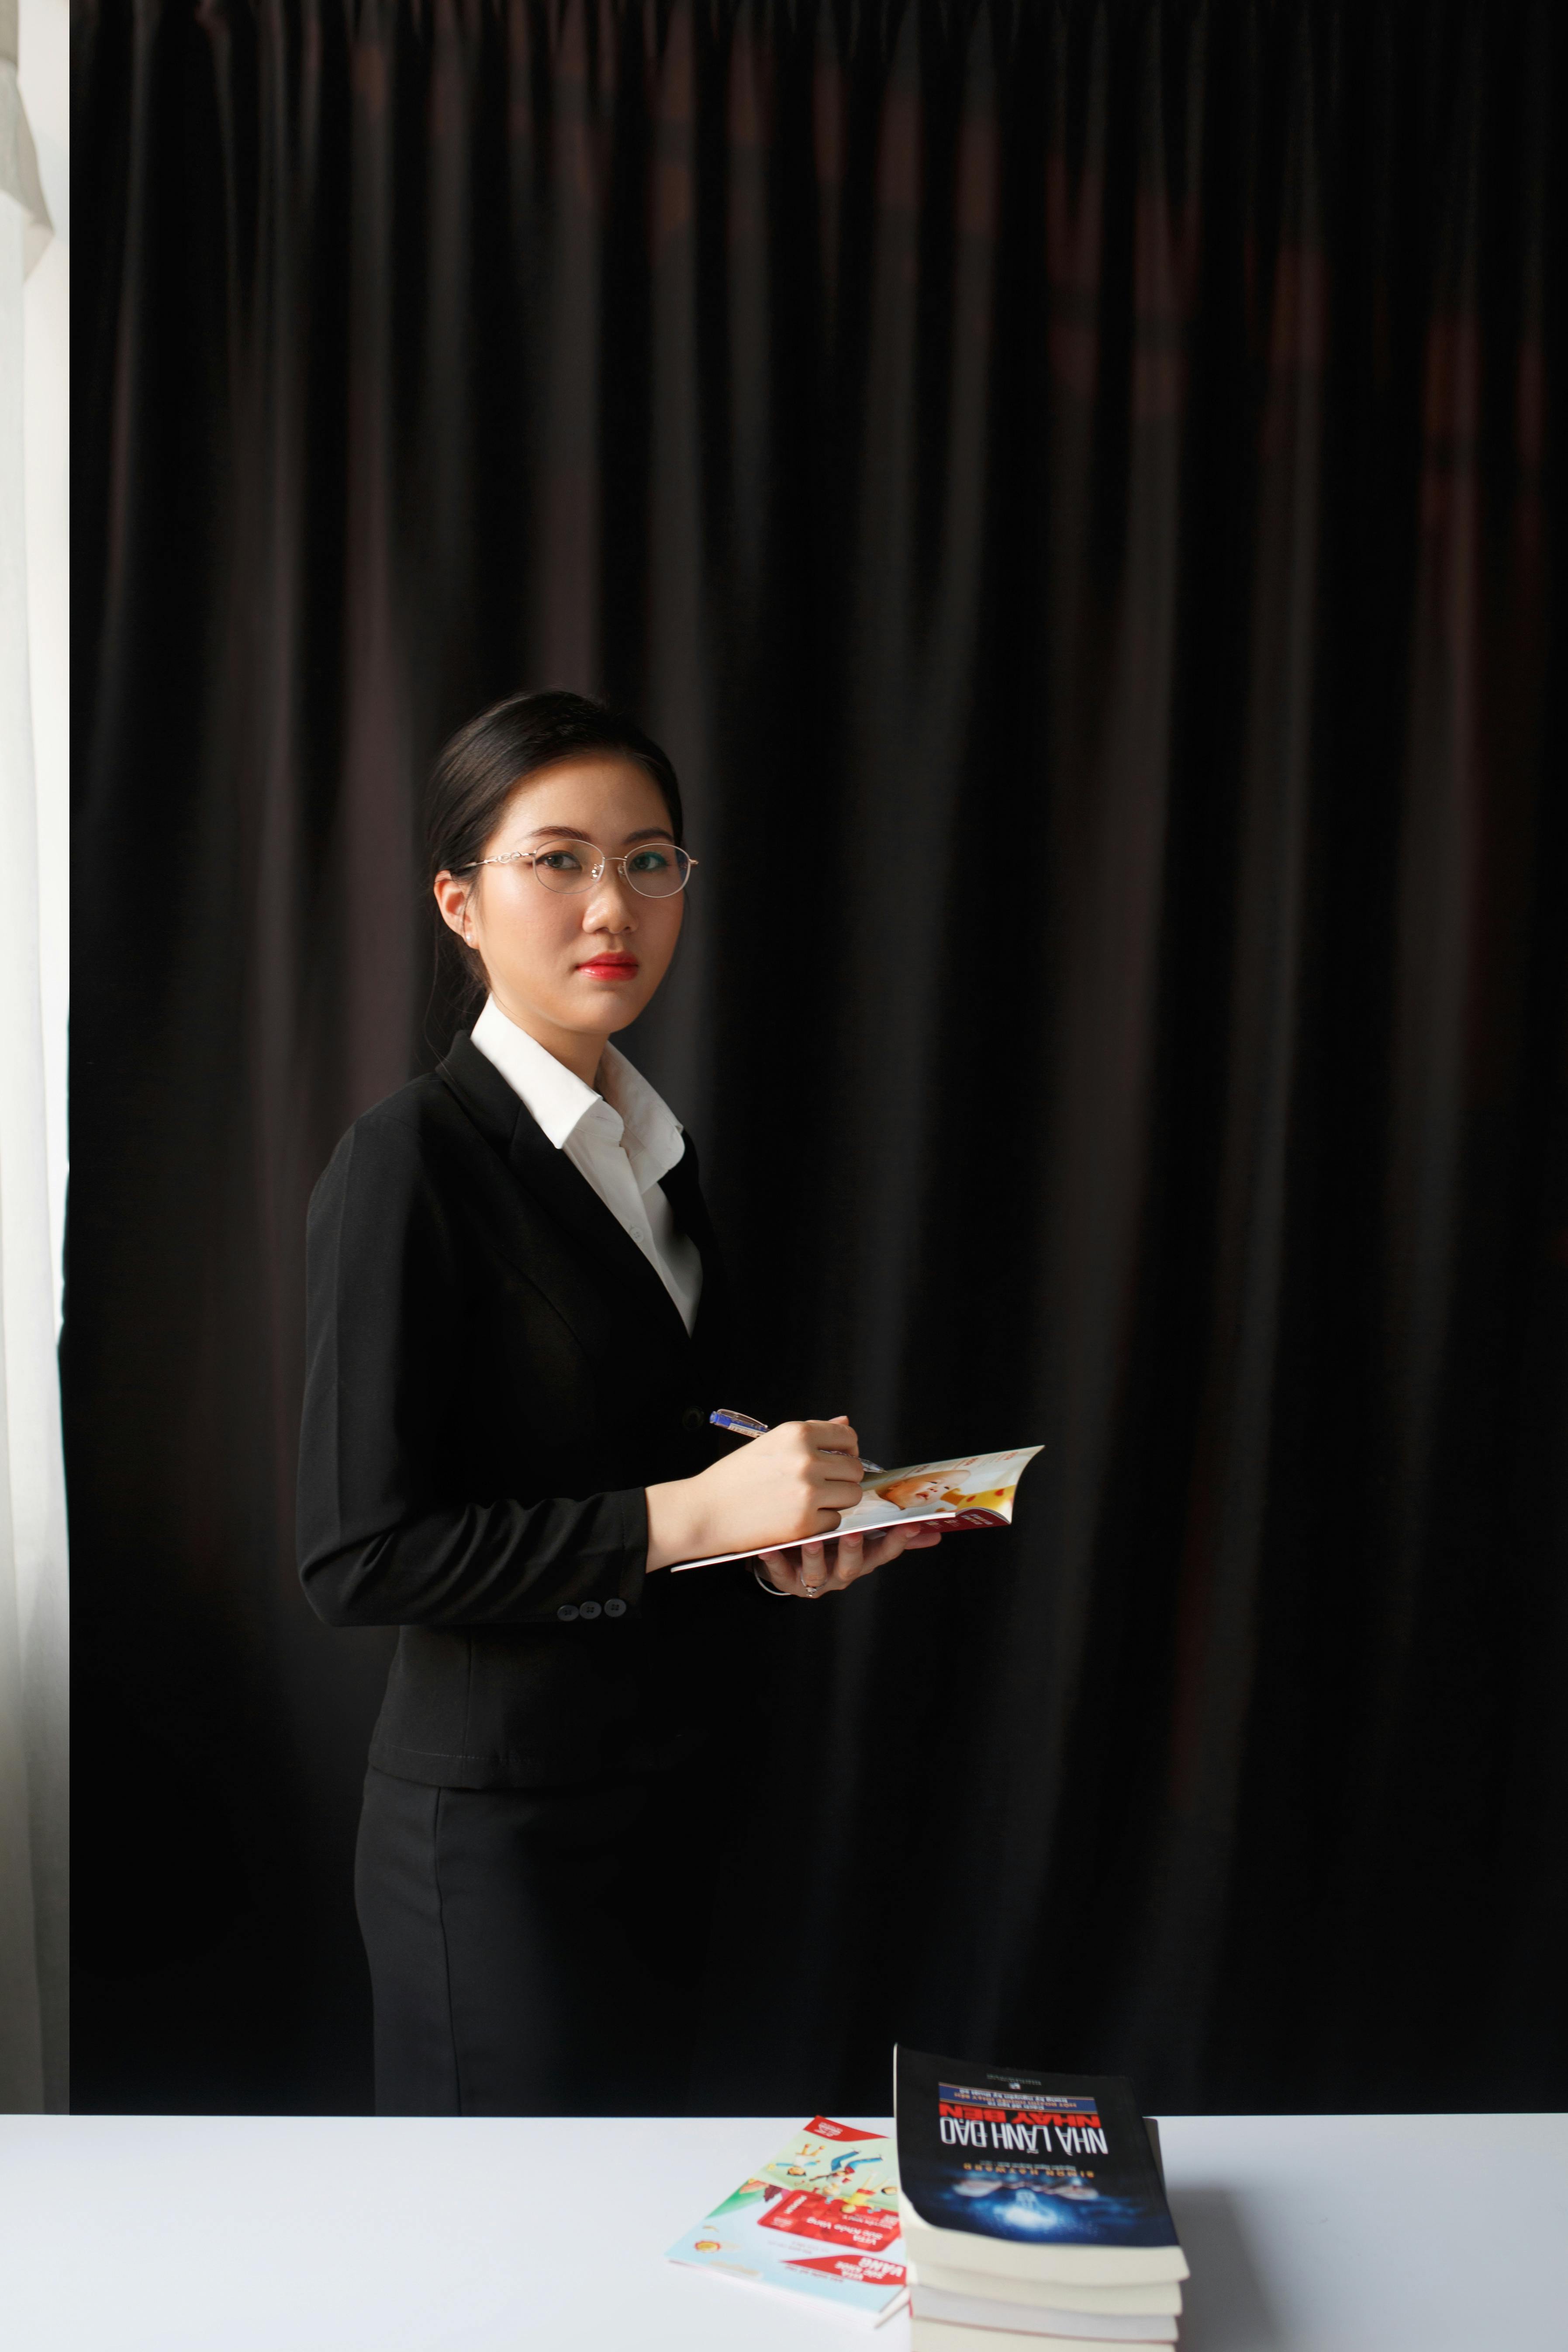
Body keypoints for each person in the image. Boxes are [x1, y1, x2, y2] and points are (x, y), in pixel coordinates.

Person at [296, 689, 942, 2116]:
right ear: (460, 901)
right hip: (496, 1845)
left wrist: (777, 1538)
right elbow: (357, 1556)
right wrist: (687, 1512)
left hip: (677, 1809)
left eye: (652, 861)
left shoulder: (653, 1151)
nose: (615, 905)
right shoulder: (408, 1159)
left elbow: (640, 1468)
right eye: (561, 859)